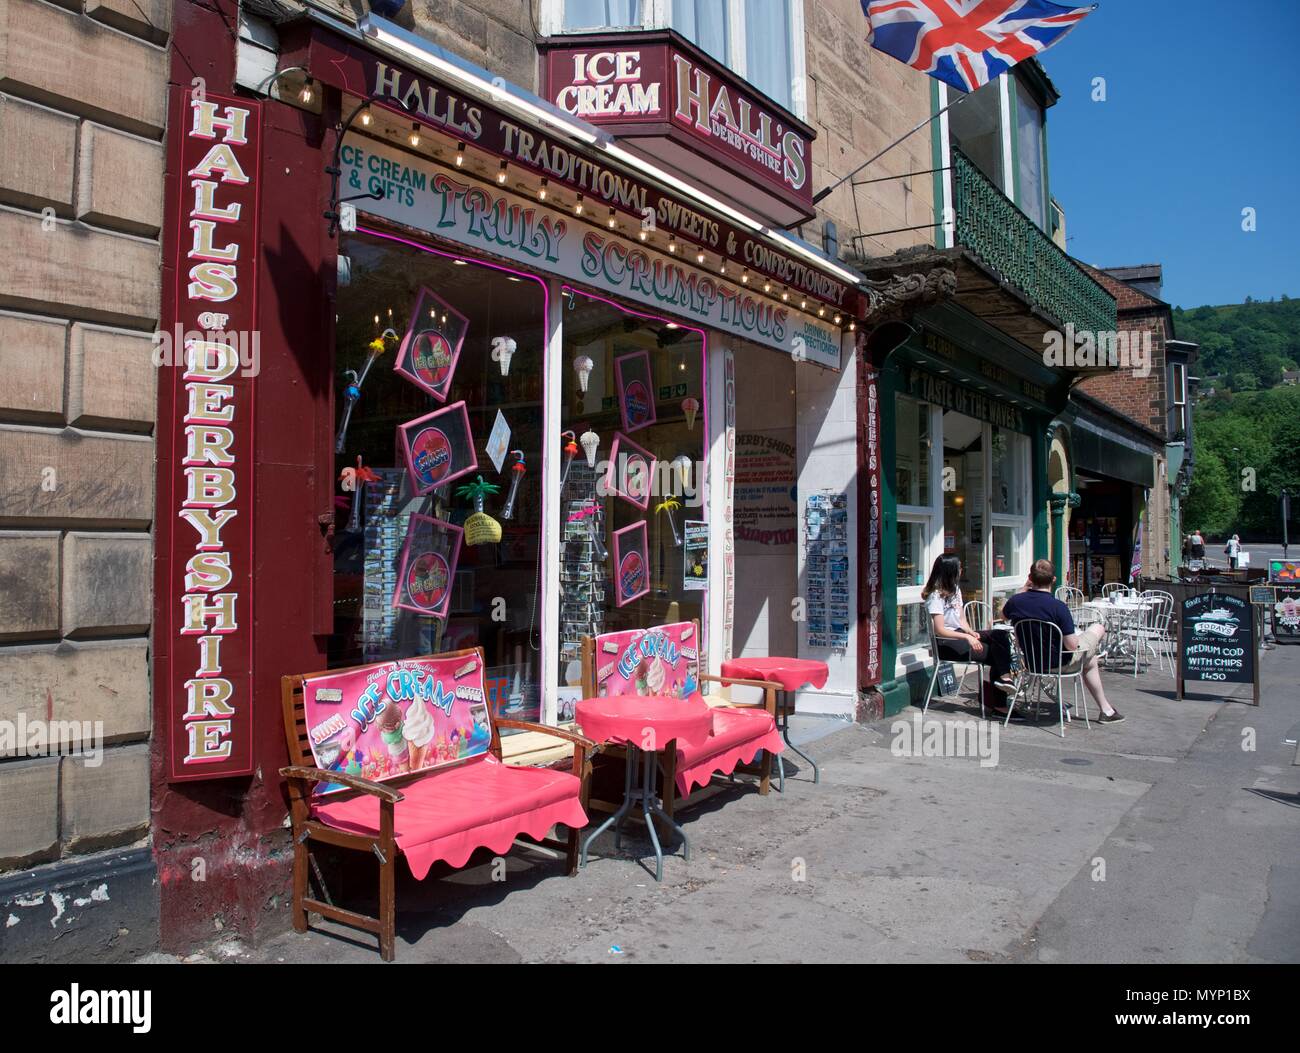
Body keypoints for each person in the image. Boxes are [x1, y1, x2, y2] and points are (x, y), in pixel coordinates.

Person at [1003, 559, 1125, 724]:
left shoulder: (1016, 602)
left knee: (1091, 659)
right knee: (1098, 629)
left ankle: (1107, 709)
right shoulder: (1058, 607)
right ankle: (1106, 710)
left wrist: (1023, 589)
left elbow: (1003, 616)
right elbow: (1071, 646)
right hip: (1059, 662)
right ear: (1054, 580)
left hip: (1030, 662)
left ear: (1030, 577)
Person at [922, 554, 1014, 712]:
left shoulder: (955, 590)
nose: (961, 570)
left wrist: (971, 632)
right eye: (959, 568)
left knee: (1000, 636)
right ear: (950, 571)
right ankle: (1000, 704)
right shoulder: (935, 596)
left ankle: (1004, 679)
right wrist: (967, 637)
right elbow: (940, 629)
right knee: (995, 653)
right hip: (946, 642)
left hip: (959, 634)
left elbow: (961, 619)